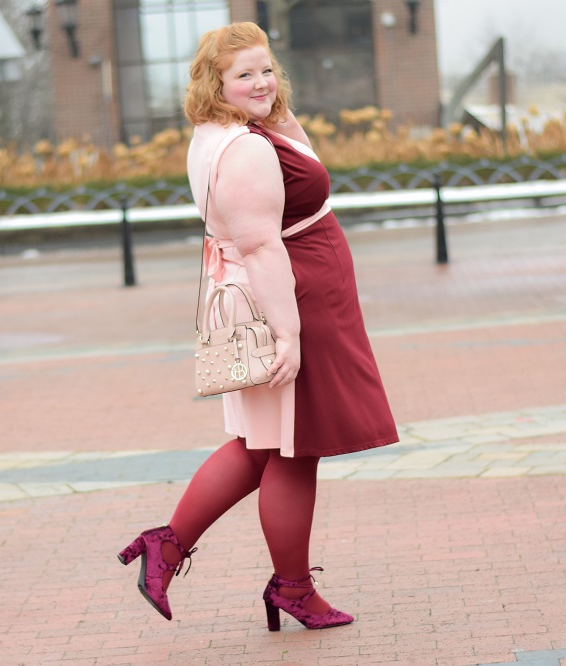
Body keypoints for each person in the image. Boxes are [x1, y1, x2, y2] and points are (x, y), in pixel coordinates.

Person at [118, 21, 399, 631]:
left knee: (264, 446)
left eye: (266, 68)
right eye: (244, 74)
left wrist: (271, 105)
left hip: (298, 297)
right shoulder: (244, 149)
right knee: (295, 451)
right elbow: (262, 245)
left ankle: (168, 547)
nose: (262, 82)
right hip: (294, 302)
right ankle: (290, 589)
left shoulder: (229, 132)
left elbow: (300, 159)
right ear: (215, 83)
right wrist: (289, 335)